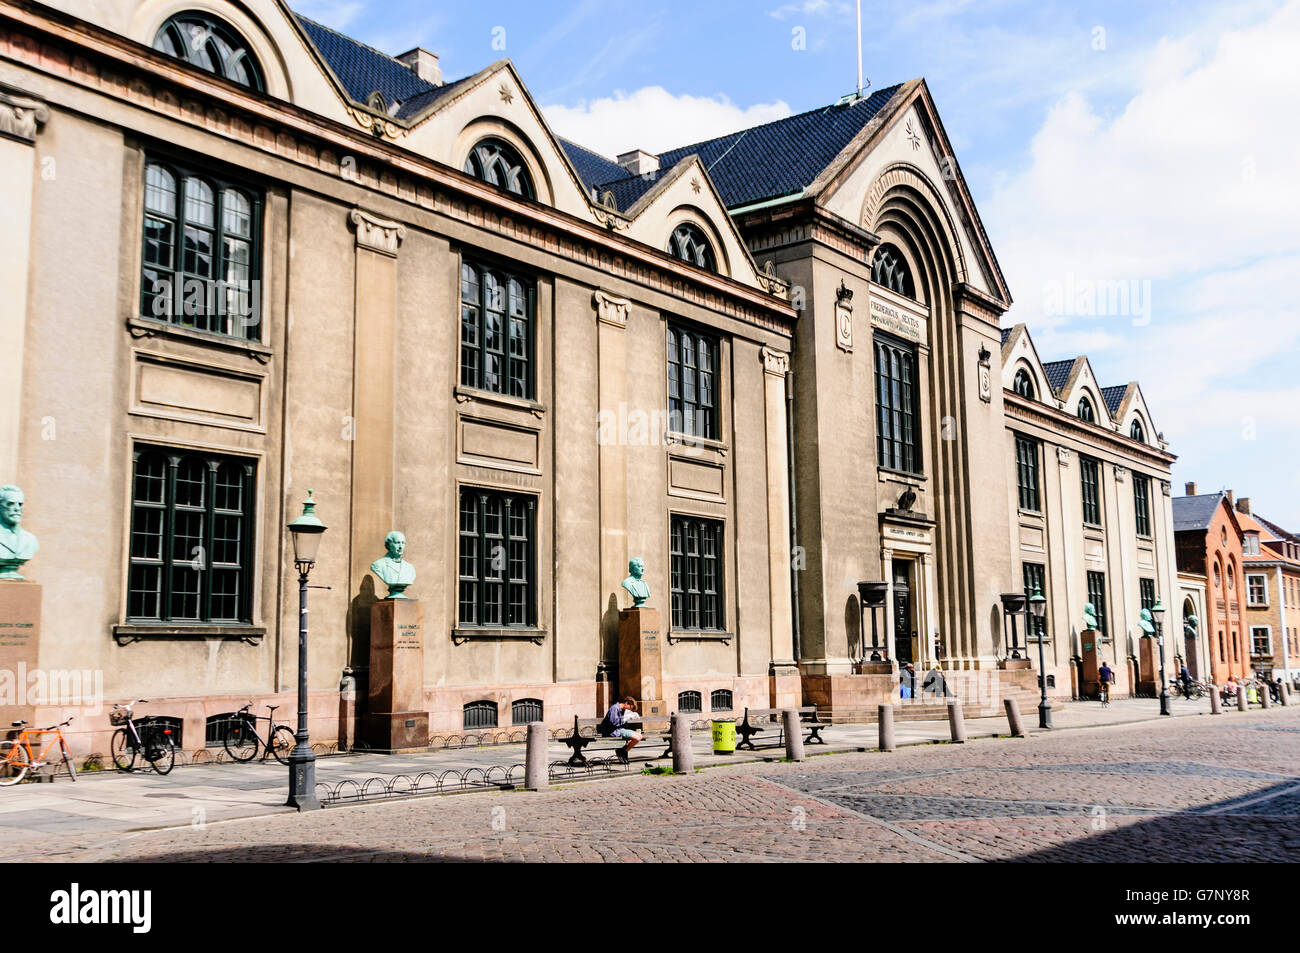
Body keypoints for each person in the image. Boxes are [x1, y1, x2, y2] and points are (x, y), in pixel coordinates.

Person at [599, 696, 641, 763]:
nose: (629, 710)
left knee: (639, 736)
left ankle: (622, 751)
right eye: (630, 708)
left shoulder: (622, 709)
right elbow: (613, 722)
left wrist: (630, 717)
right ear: (626, 703)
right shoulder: (615, 708)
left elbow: (620, 723)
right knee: (637, 738)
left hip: (618, 730)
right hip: (611, 731)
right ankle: (623, 751)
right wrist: (625, 718)